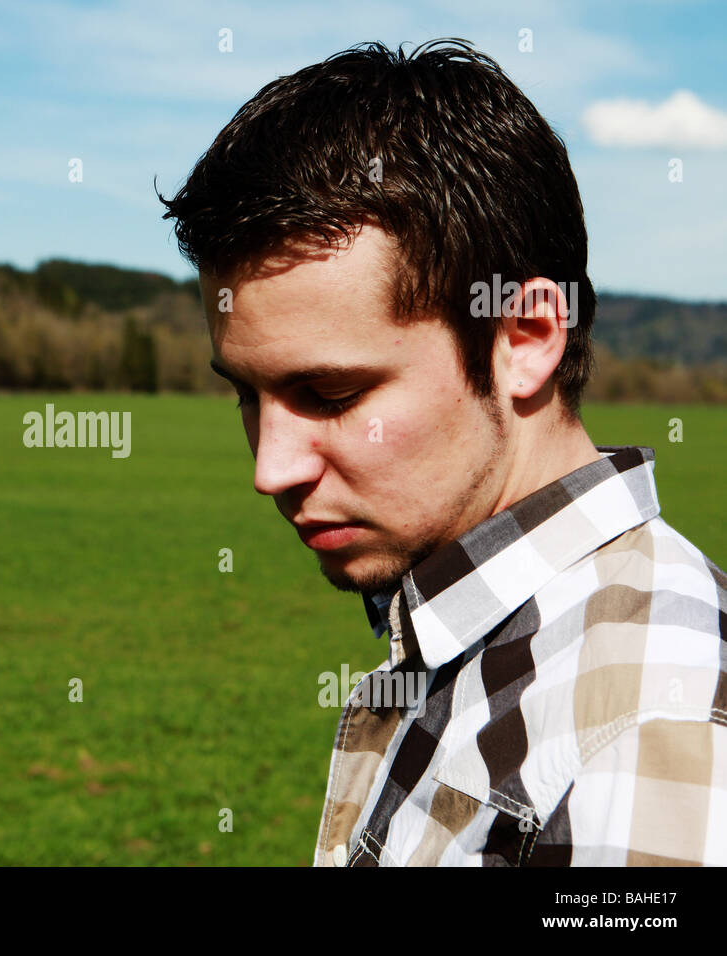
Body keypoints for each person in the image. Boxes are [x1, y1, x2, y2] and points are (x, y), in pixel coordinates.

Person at [160, 40, 727, 866]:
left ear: (523, 337)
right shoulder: (465, 629)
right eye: (248, 394)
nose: (270, 469)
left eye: (331, 394)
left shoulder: (643, 730)